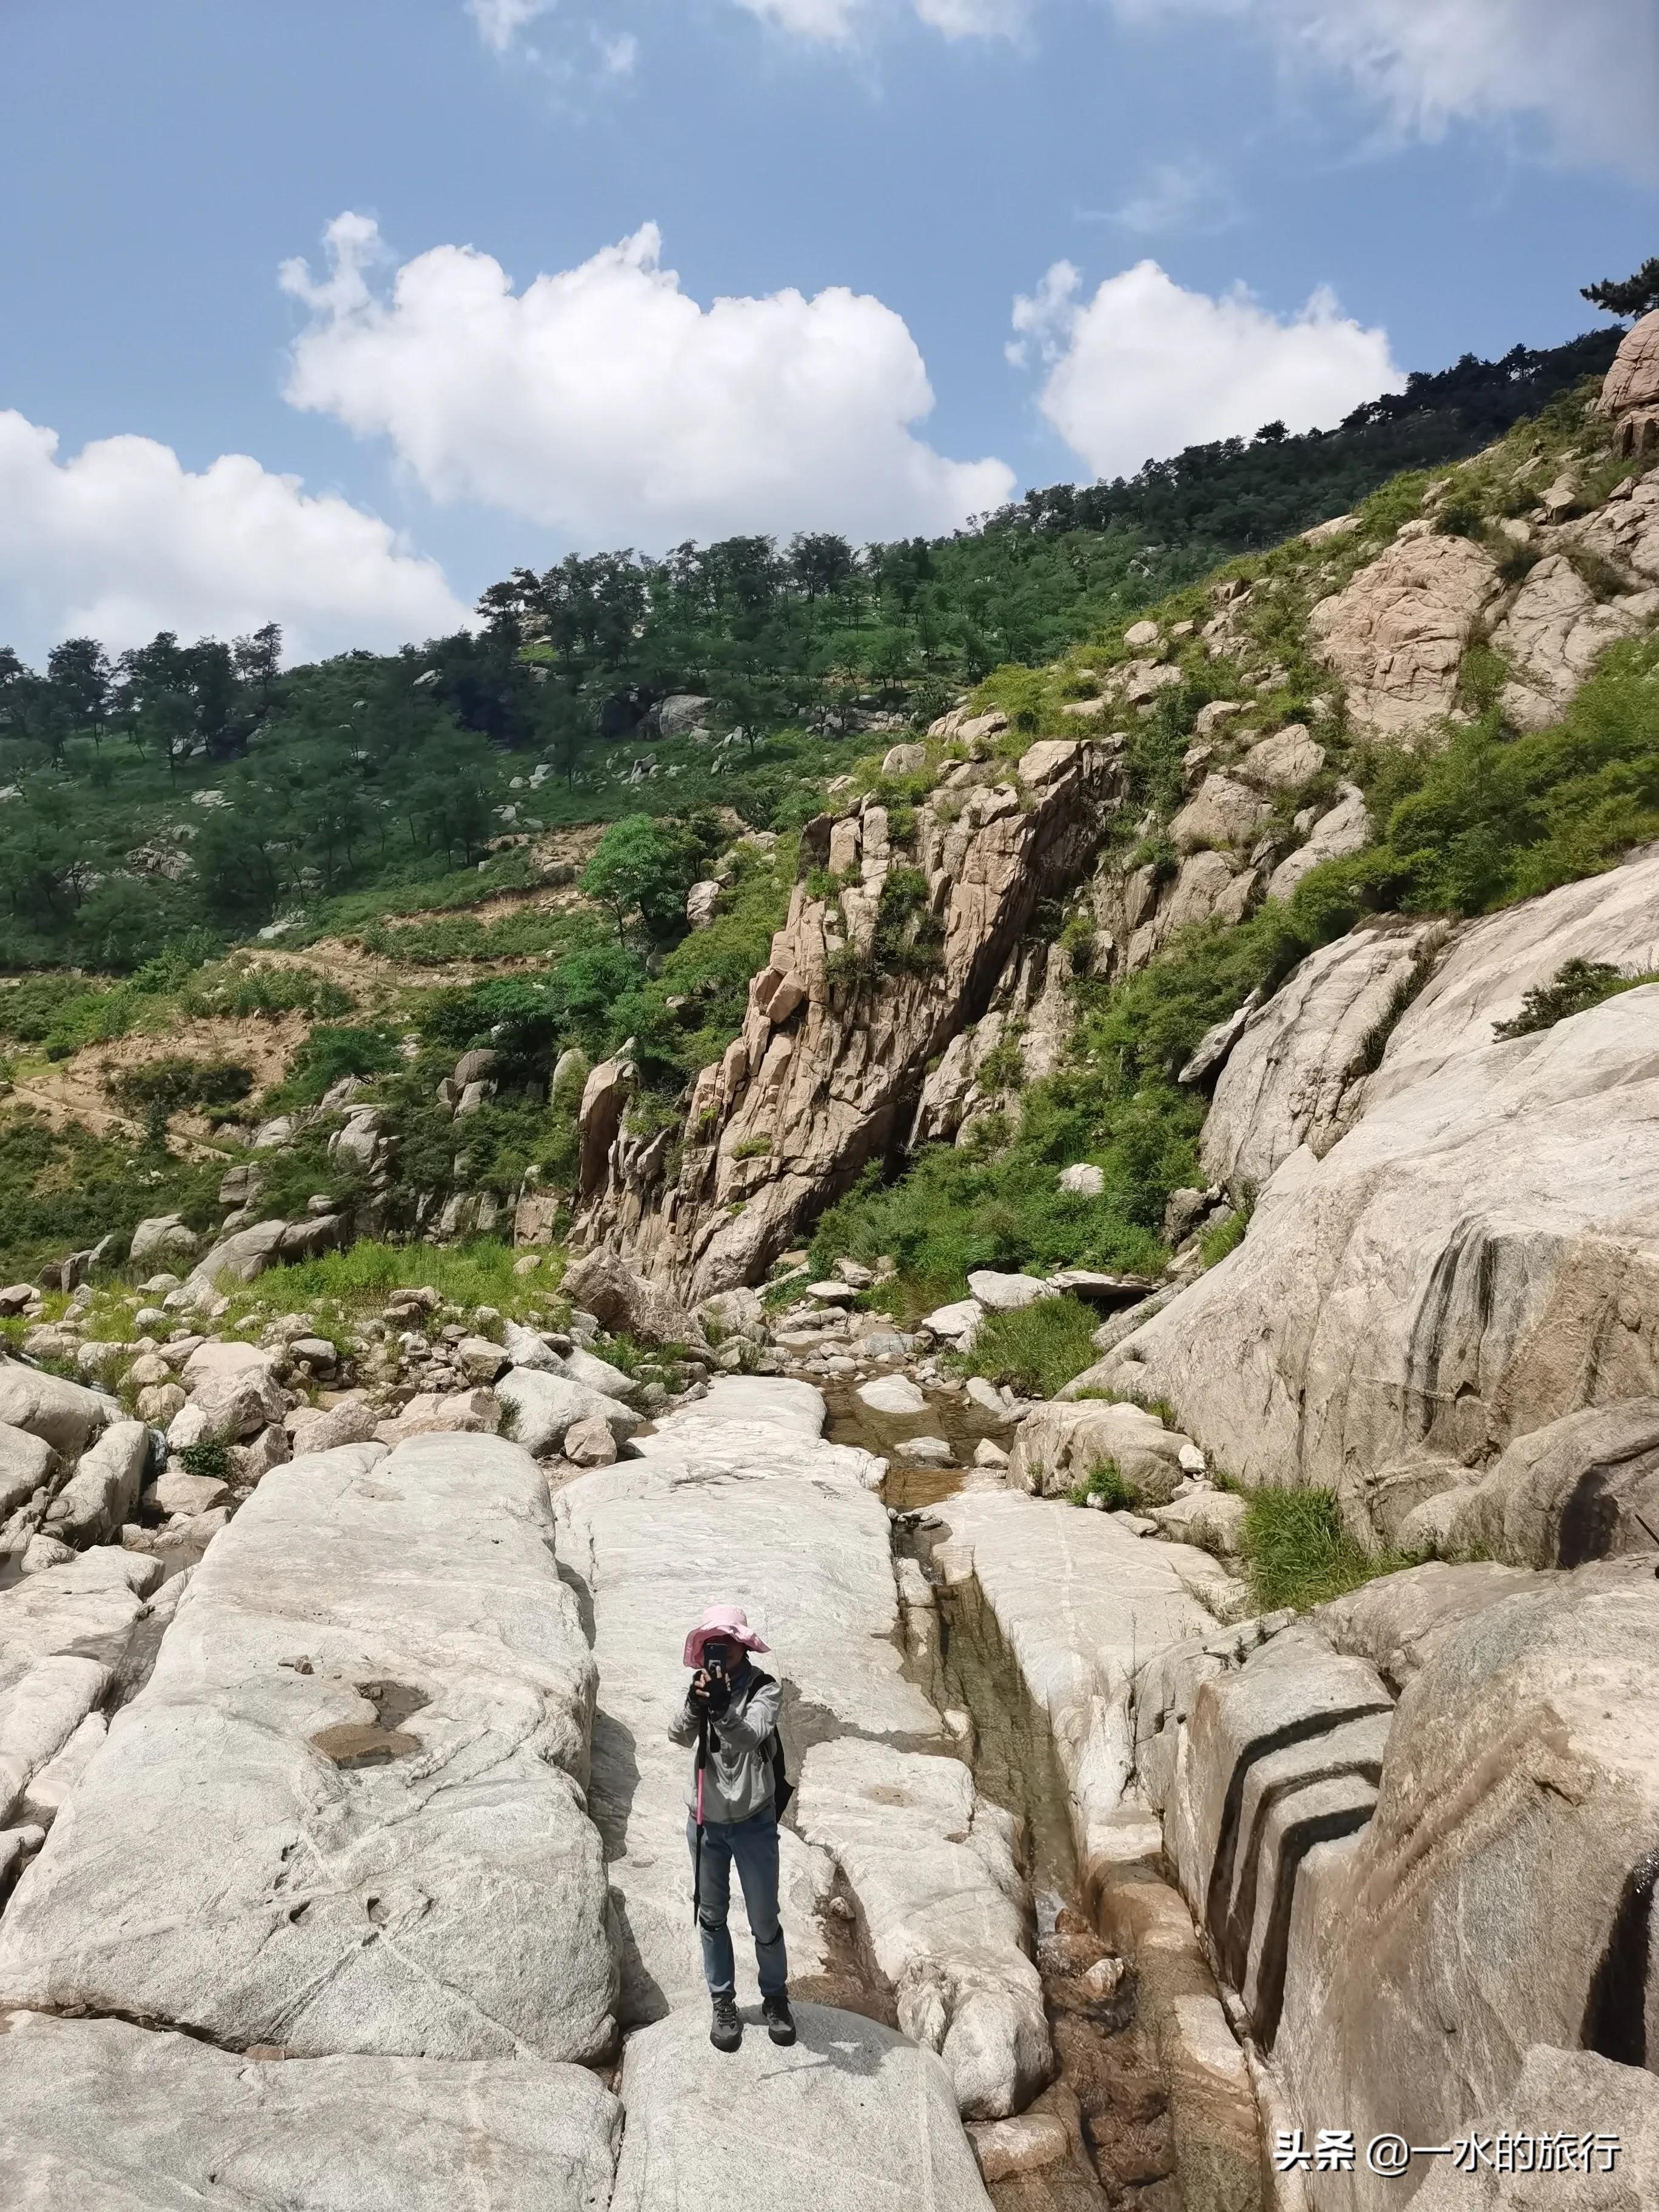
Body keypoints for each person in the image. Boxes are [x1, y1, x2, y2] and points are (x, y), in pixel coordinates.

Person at [669, 1601, 795, 2053]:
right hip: (705, 1821)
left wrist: (723, 1710)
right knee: (711, 1917)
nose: (718, 1650)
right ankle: (723, 2002)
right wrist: (694, 1704)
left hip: (753, 1821)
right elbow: (676, 1735)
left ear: (743, 1646)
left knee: (764, 1918)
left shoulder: (766, 1690)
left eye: (726, 1642)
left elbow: (750, 1737)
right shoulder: (701, 1687)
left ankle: (775, 1998)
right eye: (711, 1644)